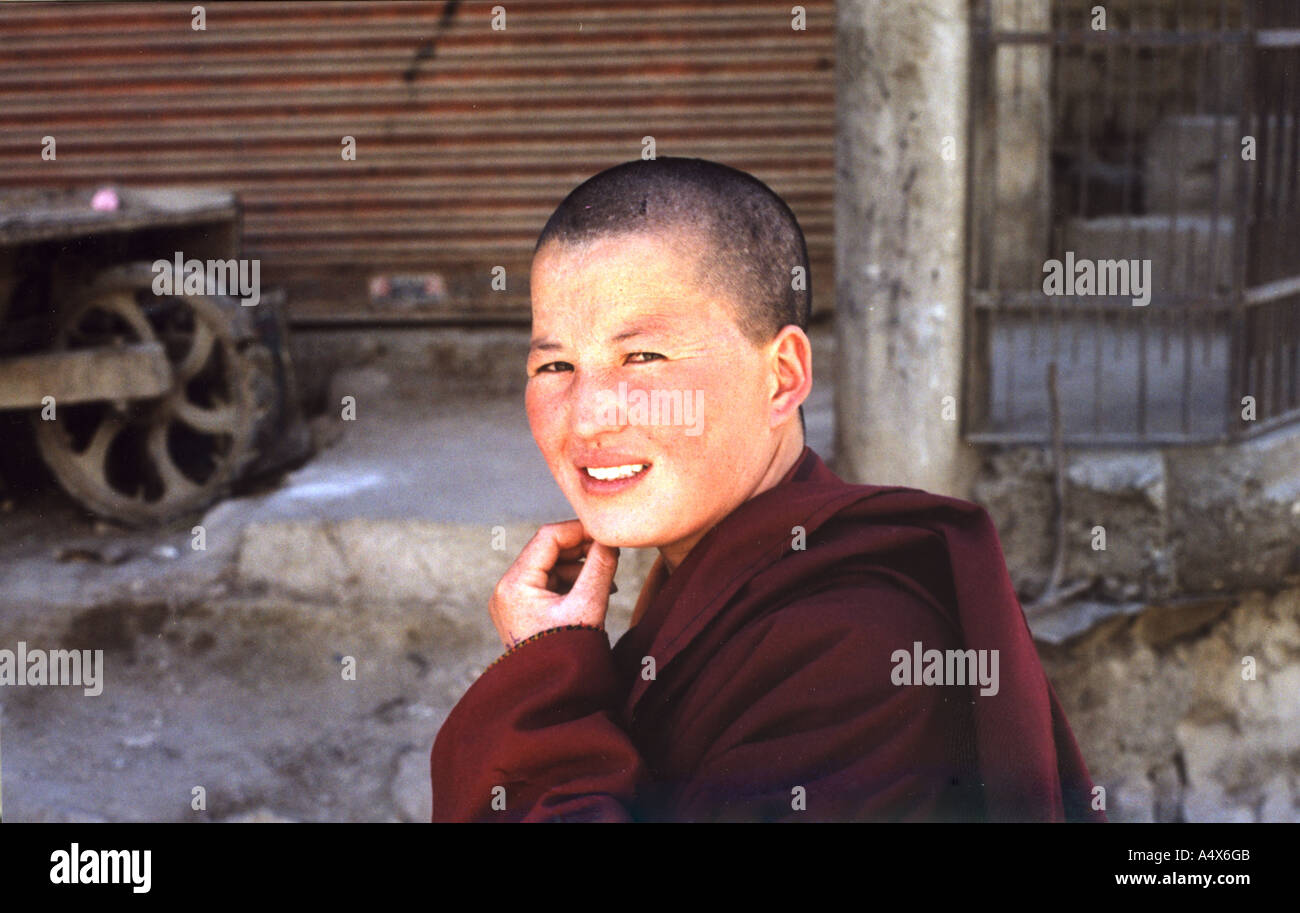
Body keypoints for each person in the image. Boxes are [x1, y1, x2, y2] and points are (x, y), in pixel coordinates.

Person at [430, 157, 1104, 823]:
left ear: (782, 376)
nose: (586, 415)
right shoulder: (710, 580)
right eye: (555, 364)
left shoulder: (862, 652)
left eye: (644, 357)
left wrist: (548, 684)